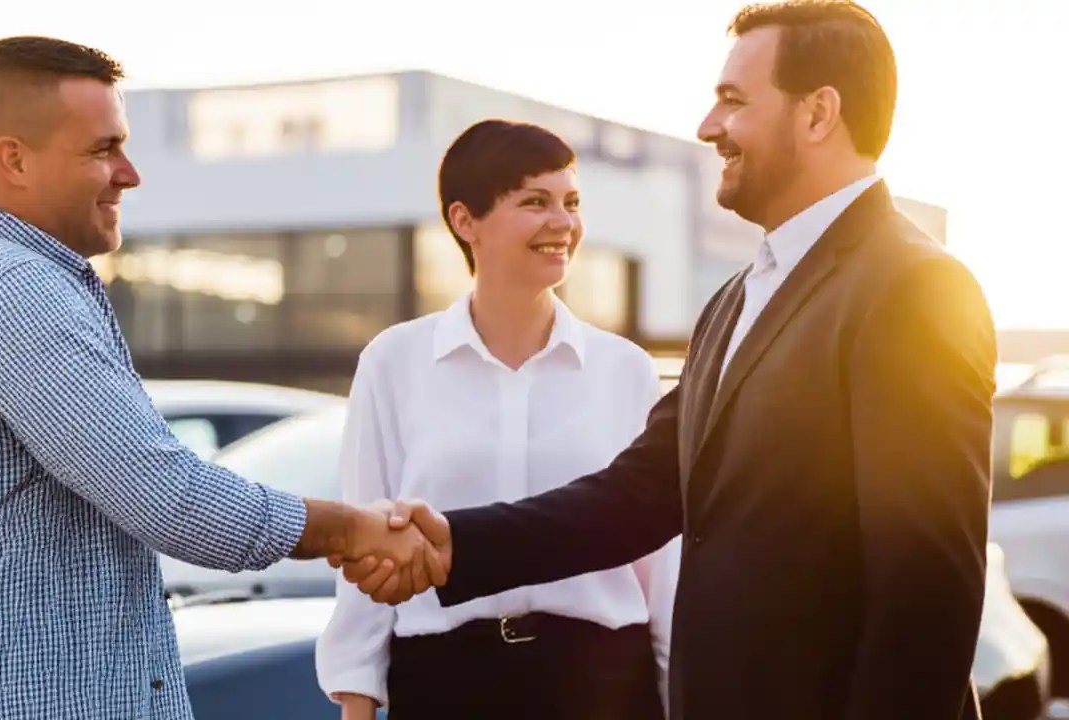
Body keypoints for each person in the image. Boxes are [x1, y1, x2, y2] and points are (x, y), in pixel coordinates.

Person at [338, 2, 997, 719]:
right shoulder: (737, 299)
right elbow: (639, 495)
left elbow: (927, 590)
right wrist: (455, 541)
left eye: (733, 101)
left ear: (818, 114)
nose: (708, 126)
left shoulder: (914, 286)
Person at [0, 36, 446, 720]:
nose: (129, 173)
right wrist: (351, 530)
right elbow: (172, 498)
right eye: (102, 149)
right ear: (14, 160)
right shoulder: (13, 290)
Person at [314, 120, 681, 720]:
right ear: (464, 221)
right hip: (445, 684)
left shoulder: (626, 370)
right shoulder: (394, 361)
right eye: (534, 202)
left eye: (571, 202)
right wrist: (357, 707)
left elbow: (664, 571)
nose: (562, 223)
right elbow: (368, 557)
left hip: (603, 685)